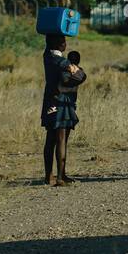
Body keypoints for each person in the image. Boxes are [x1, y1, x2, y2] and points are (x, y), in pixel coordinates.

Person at [41, 34, 86, 185]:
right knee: (61, 139)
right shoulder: (62, 61)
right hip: (61, 103)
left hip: (50, 102)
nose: (65, 44)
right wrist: (79, 73)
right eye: (64, 41)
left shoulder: (47, 56)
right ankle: (60, 176)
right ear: (61, 45)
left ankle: (50, 176)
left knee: (50, 139)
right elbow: (80, 76)